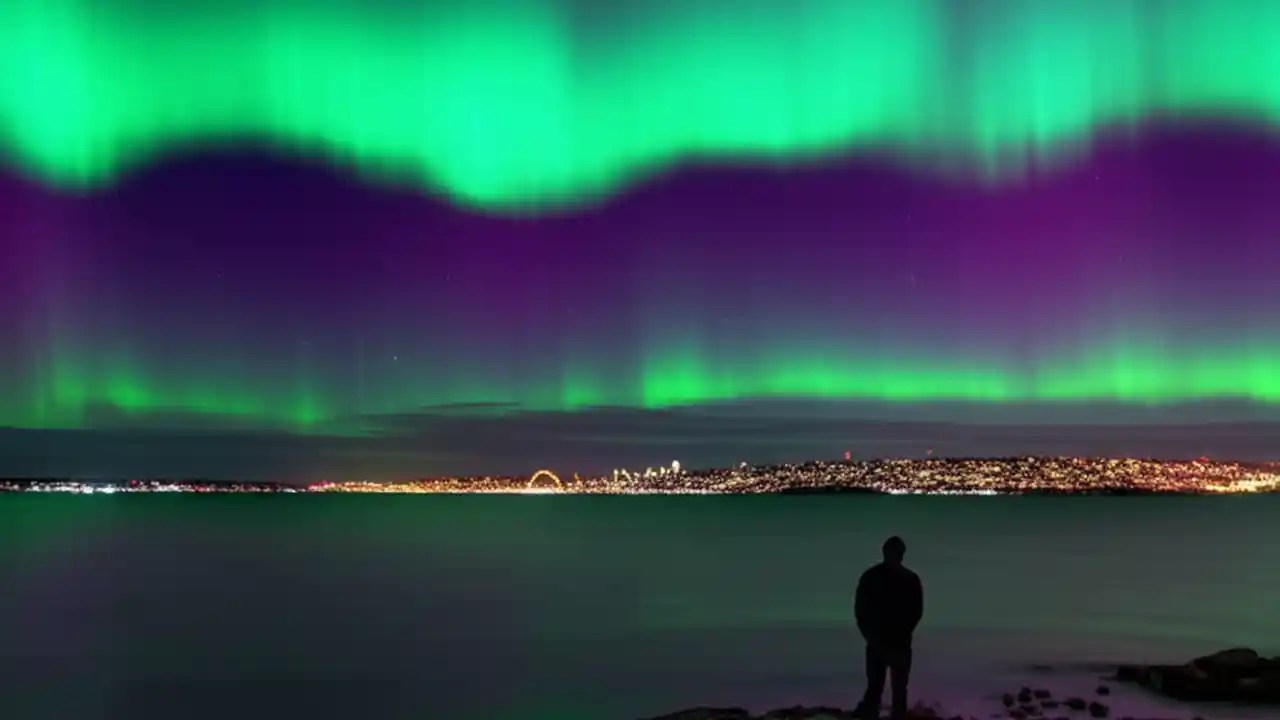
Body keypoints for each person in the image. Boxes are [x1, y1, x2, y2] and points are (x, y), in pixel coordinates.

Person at [854, 536, 924, 720]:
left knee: (895, 690)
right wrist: (870, 635)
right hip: (882, 640)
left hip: (895, 641)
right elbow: (861, 611)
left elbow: (916, 611)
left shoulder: (908, 580)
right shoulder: (873, 578)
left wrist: (901, 632)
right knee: (879, 688)